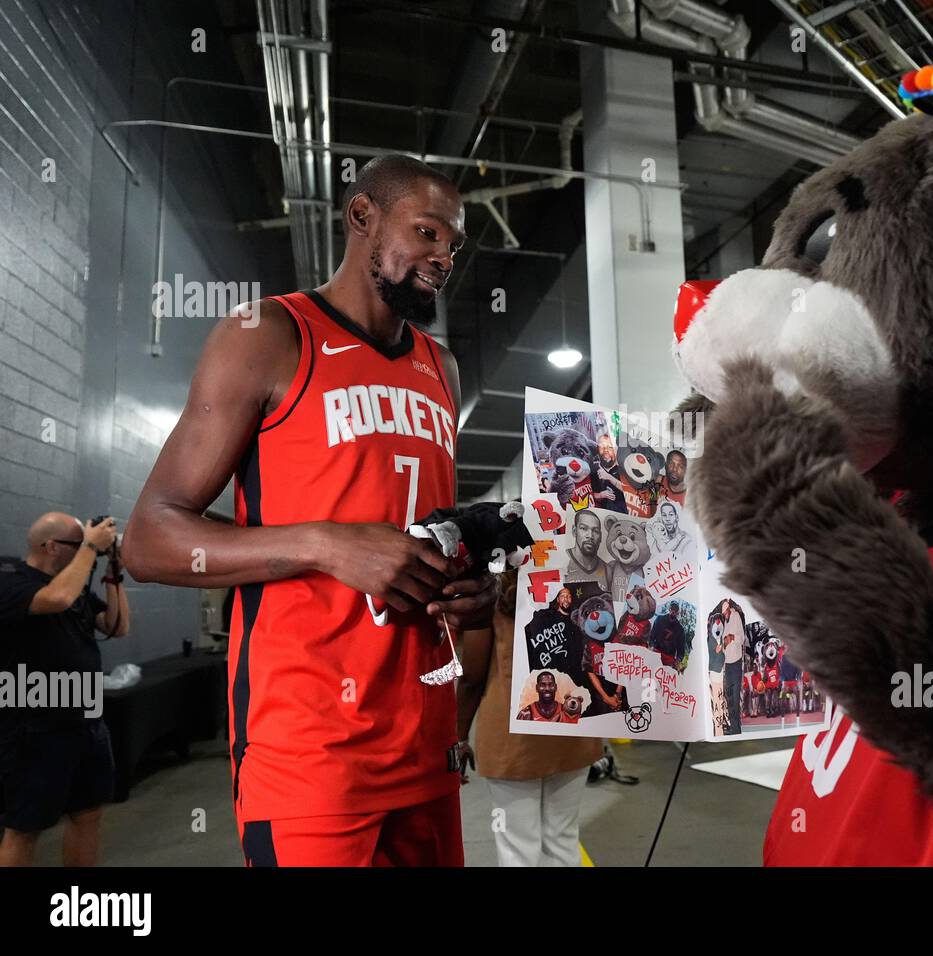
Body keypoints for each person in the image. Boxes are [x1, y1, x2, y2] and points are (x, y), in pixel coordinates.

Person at [122, 155, 496, 868]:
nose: (445, 256)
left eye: (454, 243)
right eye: (427, 232)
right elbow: (148, 538)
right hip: (310, 750)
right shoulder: (267, 332)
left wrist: (469, 590)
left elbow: (424, 532)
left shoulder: (440, 367)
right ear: (362, 217)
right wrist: (327, 545)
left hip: (426, 741)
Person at [0, 514, 129, 867]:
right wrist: (91, 546)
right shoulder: (11, 581)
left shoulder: (76, 588)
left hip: (86, 726)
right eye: (79, 543)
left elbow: (117, 626)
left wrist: (113, 569)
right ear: (51, 546)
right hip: (35, 728)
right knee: (25, 827)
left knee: (87, 815)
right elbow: (55, 599)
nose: (88, 549)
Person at [457, 570, 600, 866]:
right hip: (572, 727)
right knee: (563, 839)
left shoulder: (487, 584)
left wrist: (458, 735)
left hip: (511, 737)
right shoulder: (573, 577)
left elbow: (472, 673)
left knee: (518, 849)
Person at [563, 510, 612, 591]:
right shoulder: (561, 560)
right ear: (574, 531)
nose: (590, 535)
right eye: (583, 528)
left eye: (595, 531)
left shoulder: (608, 570)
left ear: (601, 537)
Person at [718, 598, 746, 734]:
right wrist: (722, 645)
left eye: (725, 613)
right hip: (727, 664)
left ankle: (736, 729)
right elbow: (724, 646)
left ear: (729, 609)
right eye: (723, 614)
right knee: (729, 697)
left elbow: (741, 638)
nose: (725, 615)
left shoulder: (736, 617)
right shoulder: (725, 622)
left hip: (736, 662)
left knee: (735, 696)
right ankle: (733, 727)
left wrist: (732, 637)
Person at [592, 434, 627, 513]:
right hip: (603, 517)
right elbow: (590, 495)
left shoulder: (623, 468)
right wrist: (601, 495)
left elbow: (630, 492)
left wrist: (609, 477)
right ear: (597, 449)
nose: (605, 450)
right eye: (602, 446)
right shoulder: (594, 470)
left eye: (610, 447)